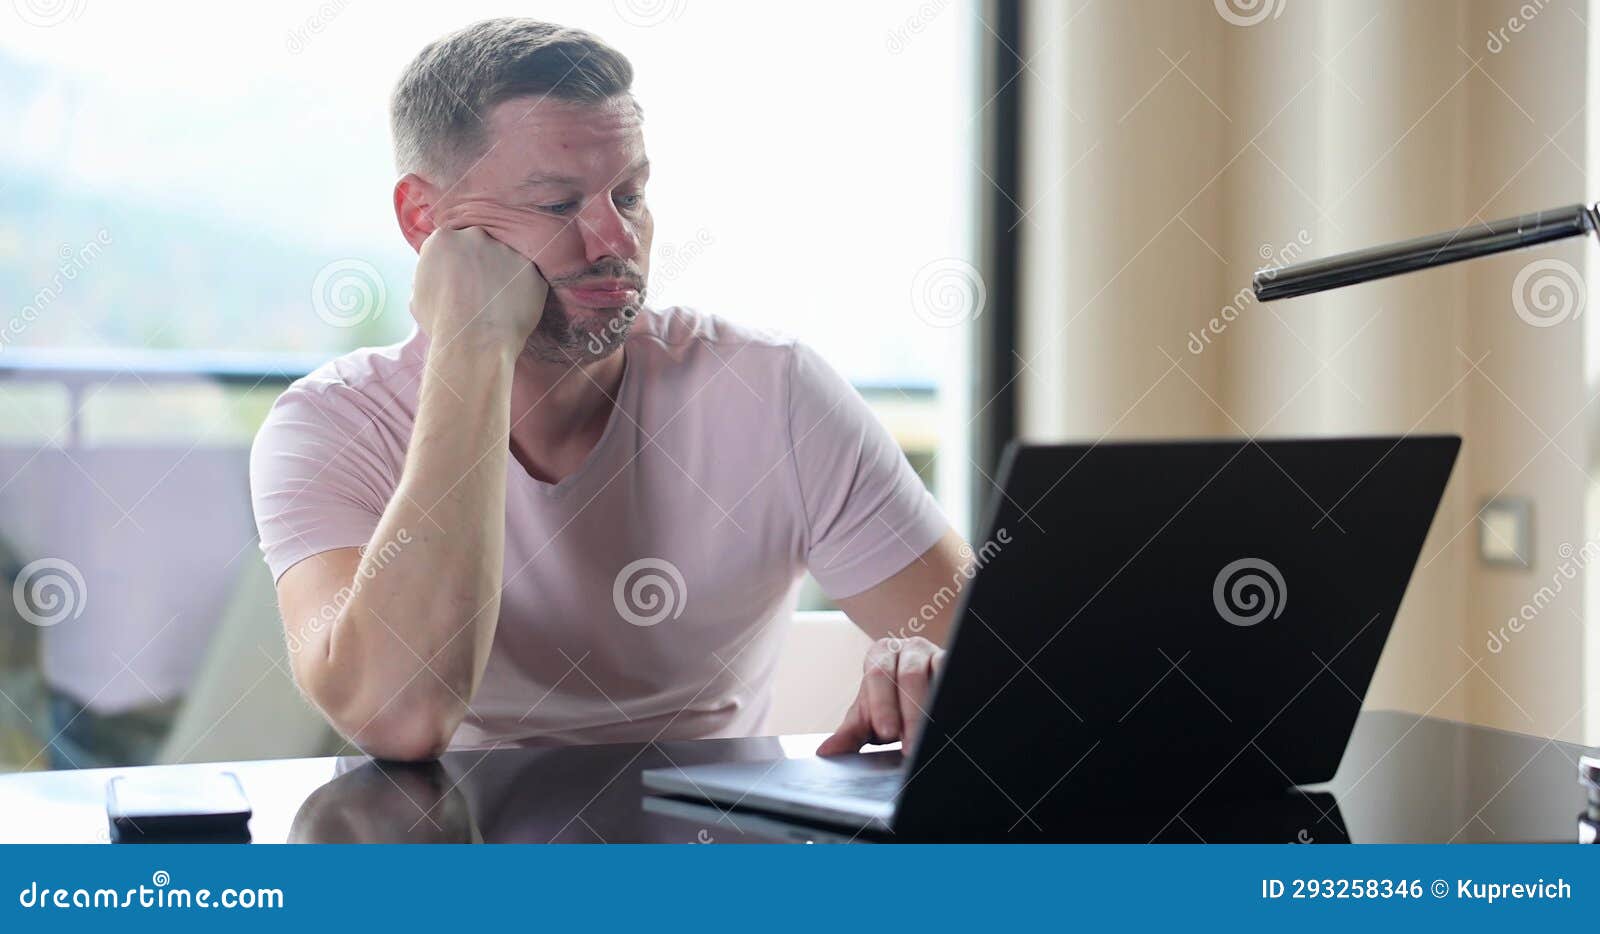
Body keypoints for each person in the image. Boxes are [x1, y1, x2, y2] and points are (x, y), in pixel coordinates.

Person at [249, 17, 968, 761]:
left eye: (628, 195)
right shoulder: (330, 425)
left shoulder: (772, 390)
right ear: (425, 219)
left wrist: (921, 665)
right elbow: (399, 718)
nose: (616, 241)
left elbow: (1006, 670)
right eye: (560, 206)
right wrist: (470, 347)